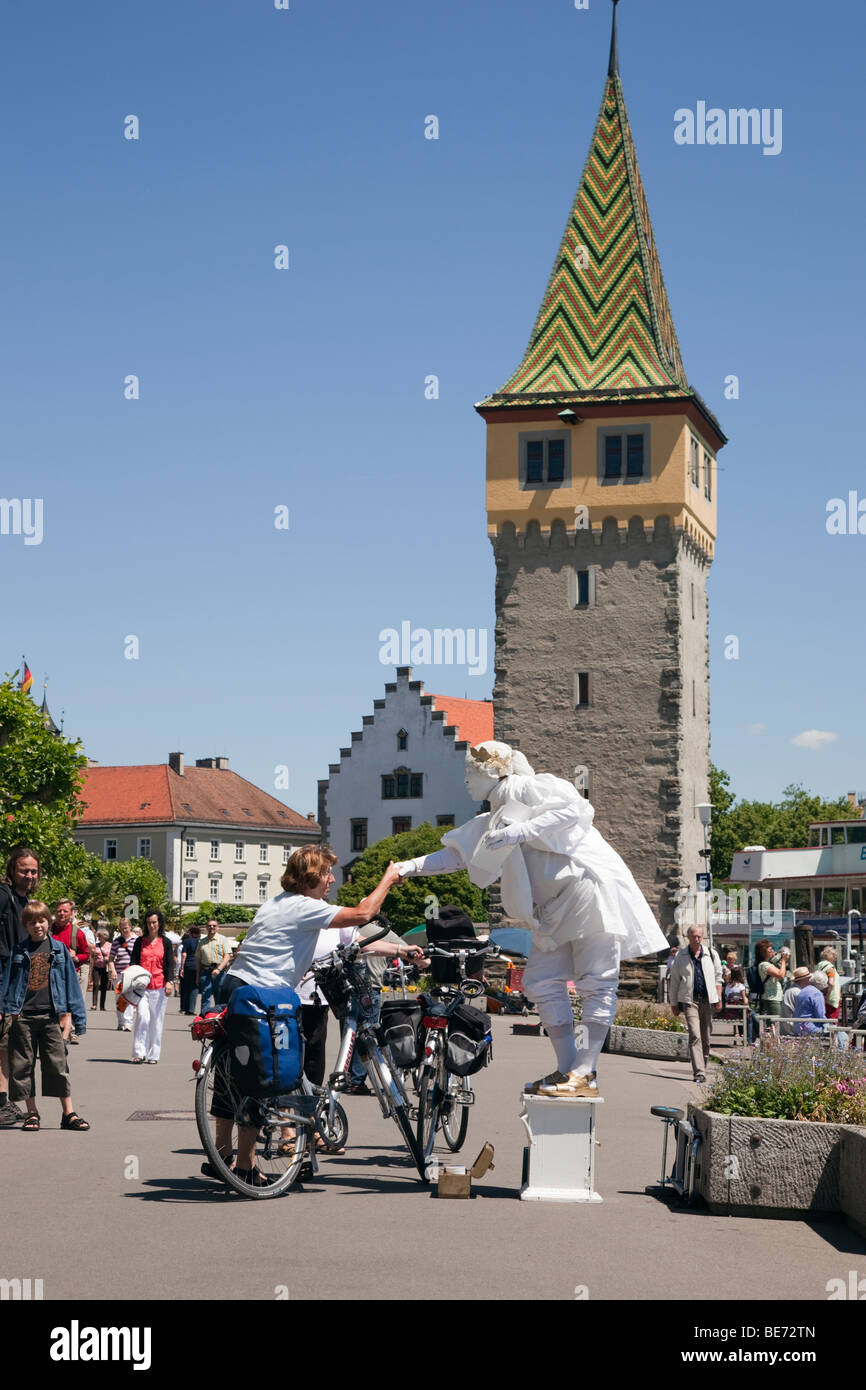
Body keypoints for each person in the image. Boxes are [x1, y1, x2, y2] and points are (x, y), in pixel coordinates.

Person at [394, 740, 668, 1099]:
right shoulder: (492, 817)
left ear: (493, 771)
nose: (466, 782)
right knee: (538, 981)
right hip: (552, 909)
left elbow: (575, 807)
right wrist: (407, 867)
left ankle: (586, 1072)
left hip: (586, 888)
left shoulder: (527, 787)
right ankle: (570, 1069)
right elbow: (456, 856)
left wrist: (521, 831)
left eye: (470, 773)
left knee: (596, 982)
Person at [212, 845, 423, 1186]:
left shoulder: (277, 904)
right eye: (326, 873)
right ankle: (246, 1165)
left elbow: (352, 939)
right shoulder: (304, 906)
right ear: (310, 876)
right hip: (264, 992)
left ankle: (221, 1152)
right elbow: (362, 915)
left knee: (232, 1072)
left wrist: (400, 949)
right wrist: (387, 879)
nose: (332, 879)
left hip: (236, 984)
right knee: (262, 1076)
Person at [0, 900, 89, 1131]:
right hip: (24, 1017)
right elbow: (8, 982)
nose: (37, 926)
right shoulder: (19, 950)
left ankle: (68, 1113)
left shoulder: (59, 950)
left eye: (41, 920)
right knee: (23, 1067)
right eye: (32, 922)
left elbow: (71, 984)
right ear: (25, 925)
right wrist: (3, 1010)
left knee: (58, 1065)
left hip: (52, 1016)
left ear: (48, 921)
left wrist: (74, 1017)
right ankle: (32, 1113)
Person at [0, 847, 40, 1126]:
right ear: (12, 872)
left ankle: (5, 1103)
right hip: (3, 978)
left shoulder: (23, 901)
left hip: (15, 980)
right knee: (3, 1045)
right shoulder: (4, 897)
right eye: (23, 870)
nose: (28, 875)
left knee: (10, 1044)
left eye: (33, 871)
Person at [669, 925, 722, 1082]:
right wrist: (673, 1003)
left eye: (699, 936)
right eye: (694, 936)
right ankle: (699, 1072)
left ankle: (702, 1067)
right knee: (695, 1035)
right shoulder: (681, 956)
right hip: (690, 1001)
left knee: (706, 1038)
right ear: (688, 937)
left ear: (702, 937)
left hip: (708, 1000)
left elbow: (718, 978)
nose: (697, 939)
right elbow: (675, 981)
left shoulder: (711, 954)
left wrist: (719, 998)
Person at [129, 910, 175, 1064]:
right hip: (142, 987)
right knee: (142, 1016)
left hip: (159, 986)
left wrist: (170, 981)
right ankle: (139, 1052)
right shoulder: (139, 941)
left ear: (159, 923)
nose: (151, 925)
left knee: (156, 1021)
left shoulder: (166, 942)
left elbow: (170, 964)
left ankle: (153, 1054)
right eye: (149, 922)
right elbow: (134, 962)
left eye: (154, 922)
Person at [195, 919, 232, 1014]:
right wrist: (197, 976)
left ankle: (219, 1020)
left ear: (218, 927)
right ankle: (204, 1021)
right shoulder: (202, 942)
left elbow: (227, 956)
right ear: (206, 927)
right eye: (209, 925)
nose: (211, 927)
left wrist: (219, 969)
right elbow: (198, 960)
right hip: (206, 972)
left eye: (214, 925)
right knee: (205, 997)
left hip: (219, 972)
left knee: (219, 997)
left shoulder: (223, 939)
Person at [755, 939, 790, 1039]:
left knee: (774, 1024)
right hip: (771, 998)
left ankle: (771, 1044)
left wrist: (779, 957)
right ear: (763, 952)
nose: (772, 951)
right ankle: (771, 1045)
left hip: (774, 997)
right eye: (770, 950)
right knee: (774, 1025)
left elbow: (775, 964)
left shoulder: (768, 963)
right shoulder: (764, 965)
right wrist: (783, 960)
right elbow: (781, 974)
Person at [109, 919, 137, 1030]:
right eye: (122, 928)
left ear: (130, 927)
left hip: (131, 973)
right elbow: (111, 959)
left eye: (126, 928)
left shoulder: (136, 940)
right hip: (119, 973)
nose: (124, 930)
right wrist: (113, 971)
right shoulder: (117, 941)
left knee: (129, 997)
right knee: (119, 998)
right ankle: (121, 1022)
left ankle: (128, 1022)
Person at [793, 969, 829, 1036]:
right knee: (841, 1034)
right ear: (822, 984)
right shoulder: (817, 994)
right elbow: (821, 1015)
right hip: (810, 1028)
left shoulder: (802, 991)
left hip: (797, 1028)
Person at [178, 925, 202, 1015]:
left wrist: (182, 968)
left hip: (188, 965)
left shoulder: (186, 941)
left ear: (191, 933)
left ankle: (185, 1008)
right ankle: (191, 1009)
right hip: (197, 965)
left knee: (186, 987)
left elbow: (184, 955)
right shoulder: (200, 942)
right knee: (194, 987)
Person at [780, 966, 810, 1035]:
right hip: (793, 1028)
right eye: (808, 978)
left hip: (786, 1026)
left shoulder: (791, 990)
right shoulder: (798, 992)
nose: (809, 981)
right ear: (804, 980)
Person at [723, 965, 748, 1040]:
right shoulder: (741, 986)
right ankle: (747, 1037)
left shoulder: (727, 986)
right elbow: (745, 1000)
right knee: (750, 1015)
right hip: (738, 1012)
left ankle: (742, 1034)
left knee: (741, 1012)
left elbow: (726, 998)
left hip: (728, 1012)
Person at [89, 929, 112, 1011]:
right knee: (95, 985)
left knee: (103, 986)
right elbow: (91, 954)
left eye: (100, 936)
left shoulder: (109, 945)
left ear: (104, 937)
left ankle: (102, 1005)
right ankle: (94, 1004)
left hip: (105, 968)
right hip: (96, 967)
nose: (99, 938)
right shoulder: (96, 945)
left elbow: (112, 956)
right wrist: (93, 955)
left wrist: (107, 958)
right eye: (98, 936)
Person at [817, 946, 841, 1021]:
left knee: (824, 1020)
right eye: (835, 956)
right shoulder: (830, 968)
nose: (835, 958)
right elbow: (831, 983)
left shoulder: (820, 967)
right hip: (831, 998)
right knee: (832, 1021)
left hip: (821, 996)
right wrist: (826, 997)